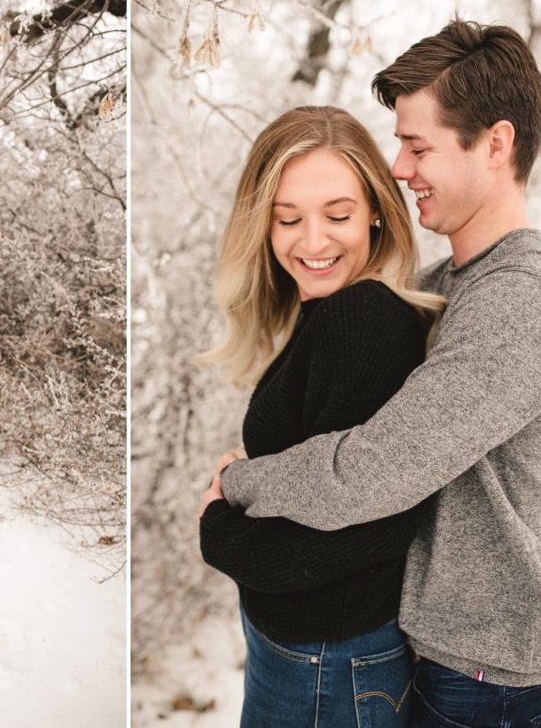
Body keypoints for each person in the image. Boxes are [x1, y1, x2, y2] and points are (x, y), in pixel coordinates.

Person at [217, 19, 541, 727]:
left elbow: (372, 471)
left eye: (418, 146)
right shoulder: (449, 280)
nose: (397, 166)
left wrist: (238, 486)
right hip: (447, 654)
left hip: (492, 676)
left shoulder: (522, 299)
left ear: (496, 144)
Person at [196, 105, 446, 727]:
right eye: (288, 219)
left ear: (376, 211)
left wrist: (217, 525)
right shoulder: (328, 311)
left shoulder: (362, 319)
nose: (313, 241)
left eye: (338, 215)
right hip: (313, 657)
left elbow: (373, 522)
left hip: (330, 664)